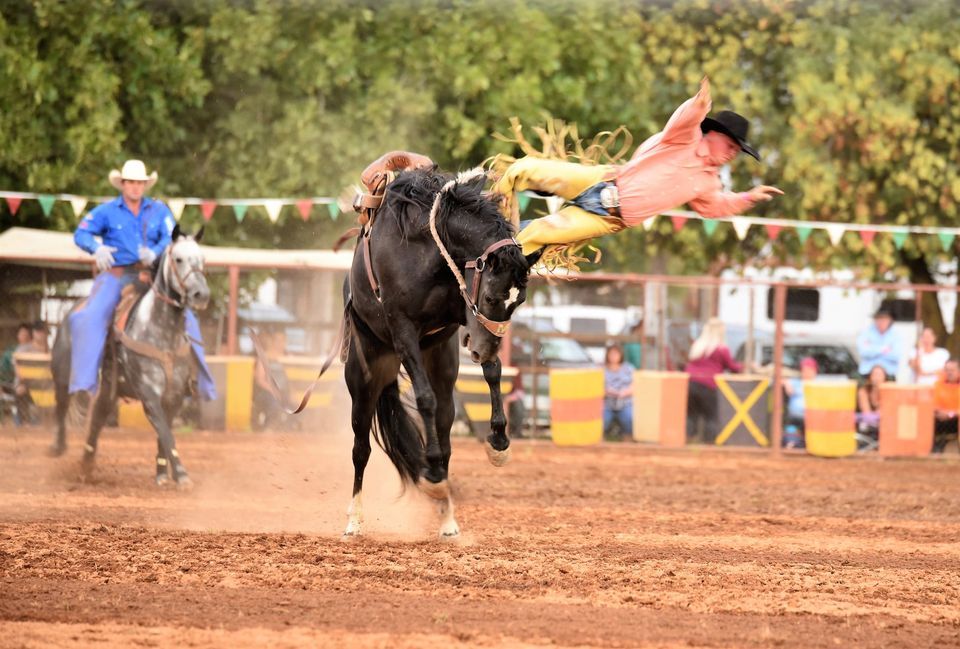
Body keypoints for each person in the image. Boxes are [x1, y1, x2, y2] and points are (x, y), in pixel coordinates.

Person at [492, 77, 783, 260]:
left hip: (610, 219)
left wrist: (748, 197)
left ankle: (491, 255)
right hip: (605, 180)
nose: (733, 154)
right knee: (524, 169)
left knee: (535, 234)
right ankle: (491, 210)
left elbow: (715, 207)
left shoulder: (708, 183)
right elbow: (684, 118)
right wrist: (700, 103)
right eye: (732, 147)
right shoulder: (686, 137)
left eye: (737, 151)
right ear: (716, 135)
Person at [70, 159, 216, 401]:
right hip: (118, 275)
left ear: (145, 185)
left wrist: (156, 251)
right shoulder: (106, 211)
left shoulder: (160, 211)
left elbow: (173, 239)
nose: (136, 187)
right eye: (131, 182)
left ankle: (200, 384)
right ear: (123, 184)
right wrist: (95, 249)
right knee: (92, 315)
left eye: (140, 182)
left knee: (189, 319)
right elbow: (81, 233)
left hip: (154, 277)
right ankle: (85, 384)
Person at [684, 317, 742, 444]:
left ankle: (687, 442)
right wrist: (743, 366)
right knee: (711, 416)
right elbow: (732, 367)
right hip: (708, 385)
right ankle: (709, 444)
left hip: (690, 383)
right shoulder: (721, 349)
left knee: (691, 415)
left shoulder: (697, 345)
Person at [782, 357, 818, 449]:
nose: (806, 373)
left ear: (814, 371)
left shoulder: (818, 384)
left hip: (812, 417)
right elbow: (783, 383)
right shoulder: (795, 382)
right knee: (791, 432)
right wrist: (786, 382)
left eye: (809, 370)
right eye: (803, 370)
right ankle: (791, 444)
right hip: (795, 416)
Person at [856, 307, 901, 379]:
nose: (881, 322)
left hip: (889, 373)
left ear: (890, 320)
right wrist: (884, 349)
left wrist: (872, 348)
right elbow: (863, 352)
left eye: (884, 319)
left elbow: (896, 356)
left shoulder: (896, 335)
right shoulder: (865, 333)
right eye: (878, 319)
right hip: (866, 372)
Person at [602, 344, 634, 440]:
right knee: (601, 420)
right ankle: (600, 442)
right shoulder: (602, 370)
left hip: (626, 403)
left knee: (629, 418)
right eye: (611, 354)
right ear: (607, 355)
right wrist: (608, 391)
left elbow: (635, 385)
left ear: (621, 355)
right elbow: (597, 387)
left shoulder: (629, 368)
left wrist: (624, 392)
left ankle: (627, 440)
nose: (613, 356)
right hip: (607, 403)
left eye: (616, 354)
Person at [856, 365, 887, 448]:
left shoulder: (888, 393)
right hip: (867, 425)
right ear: (870, 377)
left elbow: (887, 413)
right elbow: (867, 414)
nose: (877, 378)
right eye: (875, 374)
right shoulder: (864, 391)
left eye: (880, 375)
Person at [932, 359, 960, 453]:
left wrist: (951, 414)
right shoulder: (938, 384)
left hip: (956, 419)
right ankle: (933, 447)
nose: (949, 373)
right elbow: (932, 404)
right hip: (940, 418)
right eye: (947, 370)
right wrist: (938, 412)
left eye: (952, 370)